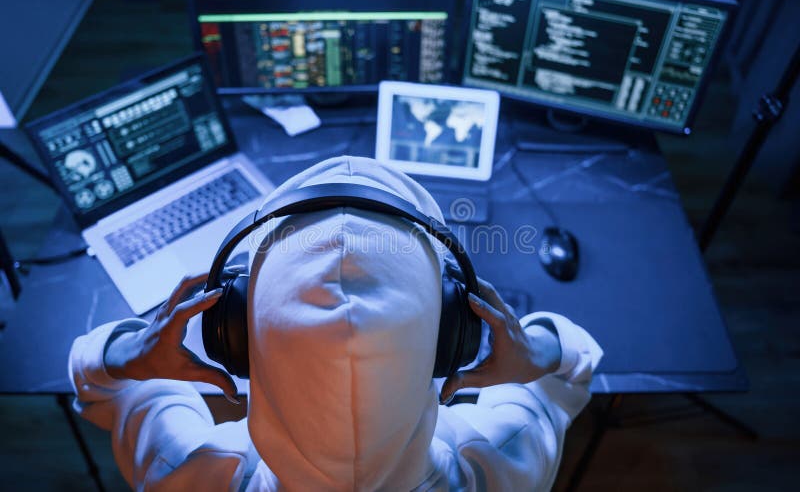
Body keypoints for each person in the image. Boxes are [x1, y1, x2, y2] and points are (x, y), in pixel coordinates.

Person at [70, 156, 602, 490]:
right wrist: (536, 352)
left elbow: (102, 388)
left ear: (236, 332)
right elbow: (569, 375)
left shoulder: (184, 469)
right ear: (449, 338)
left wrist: (130, 356)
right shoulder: (505, 462)